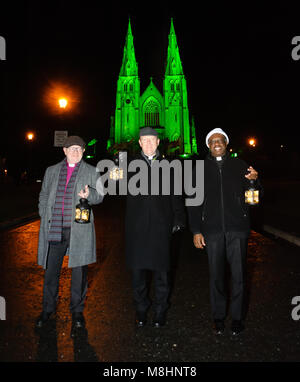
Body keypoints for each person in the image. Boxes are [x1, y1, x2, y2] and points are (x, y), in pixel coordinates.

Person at [188, 128, 260, 335]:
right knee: (216, 276)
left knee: (238, 276)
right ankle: (218, 317)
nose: (216, 143)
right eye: (212, 141)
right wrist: (196, 230)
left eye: (220, 140)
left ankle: (237, 318)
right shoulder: (199, 170)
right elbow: (193, 203)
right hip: (212, 232)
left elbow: (253, 200)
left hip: (237, 229)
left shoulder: (241, 165)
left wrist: (253, 181)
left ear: (226, 143)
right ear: (208, 145)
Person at [36, 136, 103, 329]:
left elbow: (100, 196)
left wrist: (89, 194)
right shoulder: (52, 171)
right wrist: (43, 213)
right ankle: (47, 309)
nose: (76, 152)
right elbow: (44, 194)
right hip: (55, 227)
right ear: (64, 151)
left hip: (78, 229)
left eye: (79, 149)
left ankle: (77, 312)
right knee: (51, 272)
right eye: (72, 148)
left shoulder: (92, 171)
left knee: (79, 273)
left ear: (83, 152)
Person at [125, 127, 185, 328]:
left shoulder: (170, 165)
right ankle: (141, 310)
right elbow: (114, 187)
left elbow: (176, 195)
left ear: (158, 142)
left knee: (161, 274)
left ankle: (160, 311)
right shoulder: (129, 165)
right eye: (145, 140)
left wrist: (178, 219)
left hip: (161, 227)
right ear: (139, 143)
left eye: (152, 140)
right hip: (137, 228)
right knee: (138, 275)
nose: (149, 143)